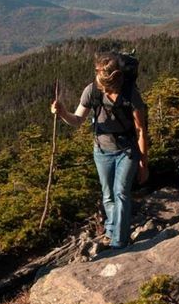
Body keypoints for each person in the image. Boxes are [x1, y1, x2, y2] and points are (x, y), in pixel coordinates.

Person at [51, 52, 149, 249]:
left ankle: (118, 243)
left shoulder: (131, 94)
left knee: (120, 192)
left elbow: (140, 130)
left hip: (126, 150)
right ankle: (113, 229)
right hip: (102, 150)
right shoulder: (92, 90)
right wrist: (62, 113)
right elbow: (77, 120)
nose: (101, 89)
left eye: (105, 86)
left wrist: (143, 163)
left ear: (116, 81)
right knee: (108, 195)